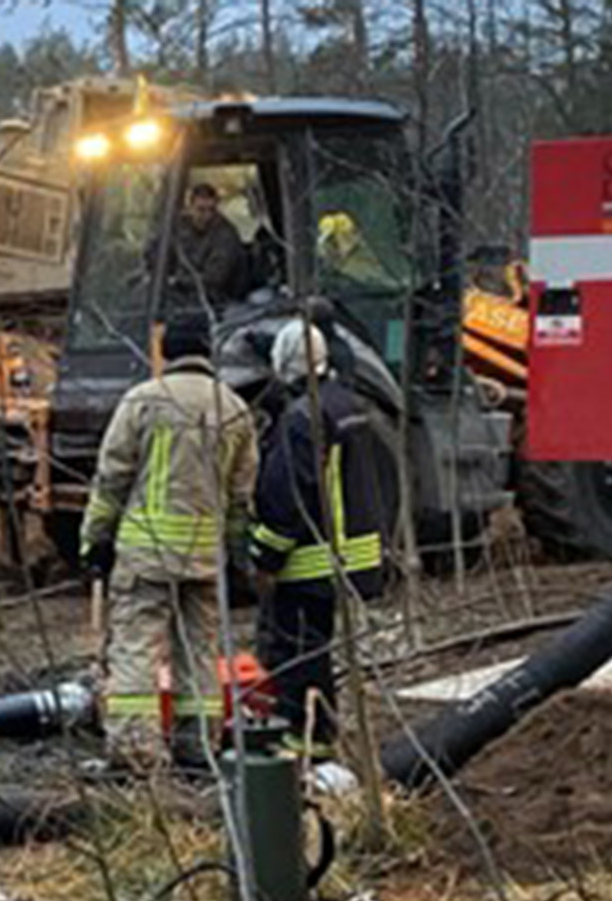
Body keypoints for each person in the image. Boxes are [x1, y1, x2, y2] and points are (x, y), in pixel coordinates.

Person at [81, 314, 259, 766]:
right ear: (208, 352)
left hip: (145, 554)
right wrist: (239, 555)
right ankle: (198, 744)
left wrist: (95, 540)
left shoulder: (143, 401)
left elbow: (111, 478)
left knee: (137, 649)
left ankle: (137, 750)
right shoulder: (234, 409)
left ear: (166, 351)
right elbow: (242, 495)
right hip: (204, 556)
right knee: (200, 651)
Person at [249, 320, 388, 749]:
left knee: (296, 659)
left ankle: (301, 746)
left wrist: (263, 556)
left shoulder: (301, 418)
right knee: (319, 653)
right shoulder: (350, 405)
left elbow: (286, 497)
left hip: (312, 562)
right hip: (353, 555)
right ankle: (323, 739)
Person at [170, 182, 247, 304]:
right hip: (179, 296)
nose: (207, 216)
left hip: (218, 302)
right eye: (200, 210)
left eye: (211, 210)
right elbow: (157, 251)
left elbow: (215, 278)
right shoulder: (178, 227)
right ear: (190, 208)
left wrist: (177, 281)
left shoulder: (225, 235)